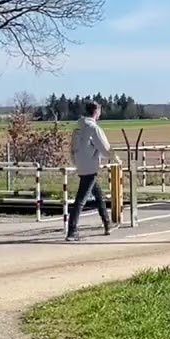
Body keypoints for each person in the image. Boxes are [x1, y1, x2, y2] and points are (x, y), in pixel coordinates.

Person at [65, 100, 115, 240]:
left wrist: (76, 162)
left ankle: (107, 222)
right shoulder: (94, 128)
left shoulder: (78, 128)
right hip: (90, 165)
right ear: (97, 111)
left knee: (98, 195)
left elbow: (72, 148)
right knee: (80, 199)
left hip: (81, 164)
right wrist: (114, 157)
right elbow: (104, 148)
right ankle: (72, 230)